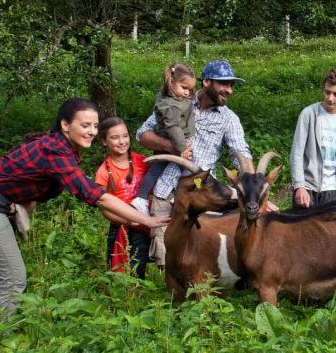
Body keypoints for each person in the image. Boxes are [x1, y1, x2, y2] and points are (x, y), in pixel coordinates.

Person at [0, 98, 168, 315]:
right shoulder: (55, 151)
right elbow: (97, 196)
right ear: (66, 125)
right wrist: (146, 220)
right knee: (13, 277)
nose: (92, 132)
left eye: (95, 126)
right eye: (85, 125)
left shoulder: (62, 149)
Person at [136, 59, 257, 267]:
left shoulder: (228, 119)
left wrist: (254, 188)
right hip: (166, 189)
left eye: (231, 86)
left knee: (201, 256)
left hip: (201, 194)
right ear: (207, 82)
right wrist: (170, 146)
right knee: (166, 257)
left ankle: (201, 298)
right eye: (224, 84)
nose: (229, 90)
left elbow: (240, 153)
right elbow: (142, 135)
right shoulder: (176, 101)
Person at [95, 117, 151, 278]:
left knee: (141, 265)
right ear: (104, 141)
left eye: (125, 136)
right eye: (114, 137)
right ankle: (124, 300)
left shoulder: (141, 161)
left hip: (145, 224)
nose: (121, 141)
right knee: (118, 272)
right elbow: (105, 209)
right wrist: (127, 220)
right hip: (121, 228)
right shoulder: (103, 172)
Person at [290, 68, 336, 208]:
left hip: (332, 190)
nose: (330, 98)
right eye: (327, 92)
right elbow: (297, 153)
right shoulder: (309, 114)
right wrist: (299, 186)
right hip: (308, 189)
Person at [135, 63, 197, 206]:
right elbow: (173, 127)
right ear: (172, 82)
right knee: (186, 168)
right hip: (174, 141)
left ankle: (143, 197)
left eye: (190, 89)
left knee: (158, 170)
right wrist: (182, 148)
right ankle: (142, 198)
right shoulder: (170, 105)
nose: (188, 93)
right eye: (184, 88)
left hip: (176, 140)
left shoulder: (176, 99)